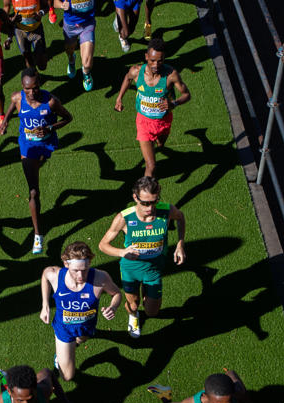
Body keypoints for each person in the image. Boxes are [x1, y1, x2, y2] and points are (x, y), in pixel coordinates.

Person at [98, 176, 185, 338]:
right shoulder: (124, 218)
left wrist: (180, 244)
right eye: (145, 203)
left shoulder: (166, 211)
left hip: (154, 269)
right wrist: (121, 252)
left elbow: (180, 218)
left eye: (154, 202)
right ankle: (133, 316)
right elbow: (103, 245)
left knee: (152, 311)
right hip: (131, 270)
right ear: (135, 197)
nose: (150, 208)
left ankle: (146, 295)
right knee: (133, 303)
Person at [0, 68, 73, 254]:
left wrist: (50, 128)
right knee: (33, 191)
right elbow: (10, 107)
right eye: (27, 89)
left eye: (35, 88)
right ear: (23, 88)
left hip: (46, 144)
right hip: (27, 146)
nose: (32, 93)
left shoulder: (51, 102)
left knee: (36, 168)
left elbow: (68, 118)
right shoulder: (18, 98)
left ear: (39, 84)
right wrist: (5, 121)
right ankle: (38, 235)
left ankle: (37, 163)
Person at [40, 241, 122, 381]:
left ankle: (74, 345)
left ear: (89, 262)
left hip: (87, 327)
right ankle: (59, 356)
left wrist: (113, 307)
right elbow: (45, 275)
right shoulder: (55, 275)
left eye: (84, 270)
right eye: (75, 270)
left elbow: (117, 294)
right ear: (66, 264)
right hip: (63, 329)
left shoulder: (100, 278)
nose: (80, 275)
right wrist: (45, 304)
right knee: (67, 376)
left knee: (81, 339)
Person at [114, 38, 191, 177]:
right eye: (152, 61)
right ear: (146, 57)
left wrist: (174, 104)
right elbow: (127, 78)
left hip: (163, 120)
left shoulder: (171, 75)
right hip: (143, 122)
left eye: (160, 61)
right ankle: (145, 193)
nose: (156, 65)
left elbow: (187, 95)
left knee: (160, 145)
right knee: (151, 165)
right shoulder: (136, 71)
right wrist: (119, 98)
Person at [53, 0, 95, 91]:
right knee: (69, 50)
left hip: (87, 23)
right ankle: (71, 60)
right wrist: (62, 5)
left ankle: (86, 74)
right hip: (70, 26)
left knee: (87, 64)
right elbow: (54, 2)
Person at [3, 0, 49, 71]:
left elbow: (47, 6)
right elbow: (5, 15)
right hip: (20, 32)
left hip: (36, 30)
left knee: (42, 65)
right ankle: (34, 78)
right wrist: (9, 37)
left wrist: (40, 13)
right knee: (28, 61)